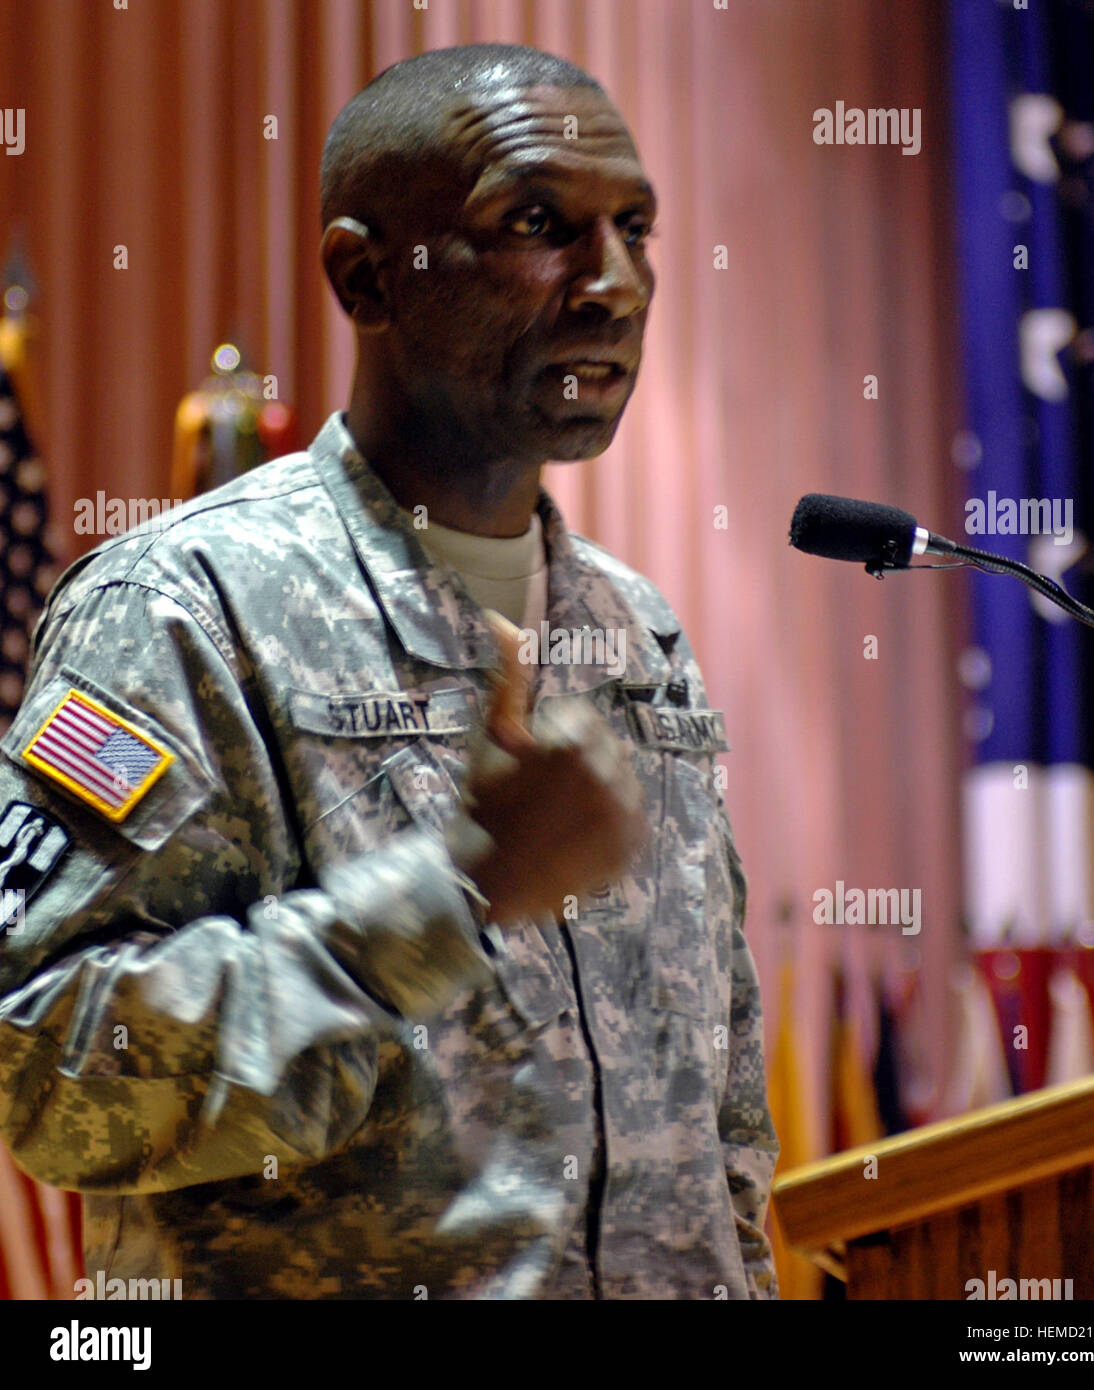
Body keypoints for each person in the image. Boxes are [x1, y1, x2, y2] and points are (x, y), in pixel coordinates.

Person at [0, 42, 779, 1300]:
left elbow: (724, 1119)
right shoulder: (187, 609)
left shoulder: (636, 633)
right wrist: (451, 897)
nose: (616, 284)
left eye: (634, 228)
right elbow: (47, 1076)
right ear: (367, 274)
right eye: (539, 226)